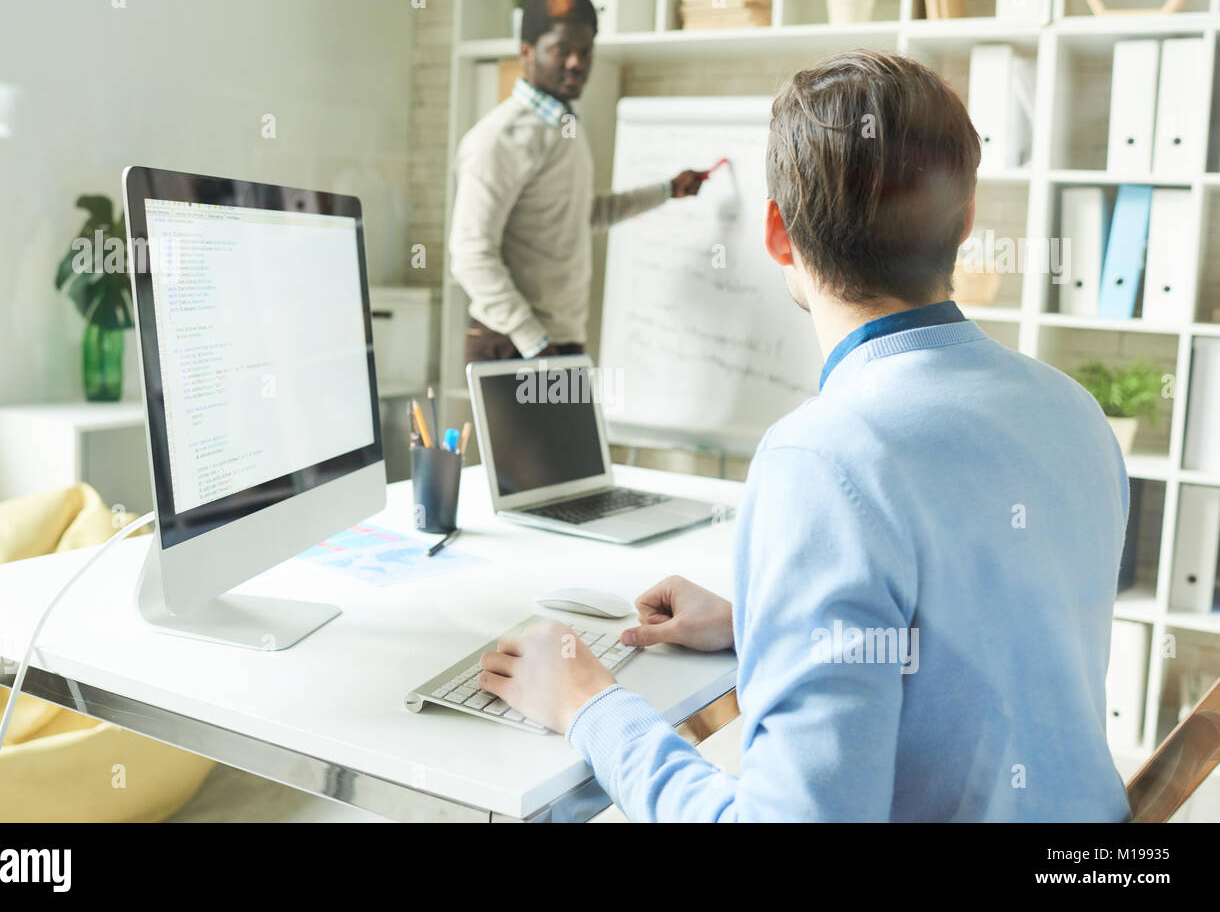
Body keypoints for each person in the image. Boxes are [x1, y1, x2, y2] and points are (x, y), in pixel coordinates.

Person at [477, 49, 1133, 822]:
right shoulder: (1074, 410)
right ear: (965, 221)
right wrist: (764, 618)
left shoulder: (824, 461)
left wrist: (592, 705)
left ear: (778, 233)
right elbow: (989, 635)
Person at [450, 0, 708, 364]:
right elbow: (470, 255)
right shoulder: (499, 139)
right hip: (511, 343)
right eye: (561, 50)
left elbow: (583, 213)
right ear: (527, 52)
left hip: (558, 340)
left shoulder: (565, 125)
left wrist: (668, 189)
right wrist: (533, 341)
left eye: (585, 51)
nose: (576, 62)